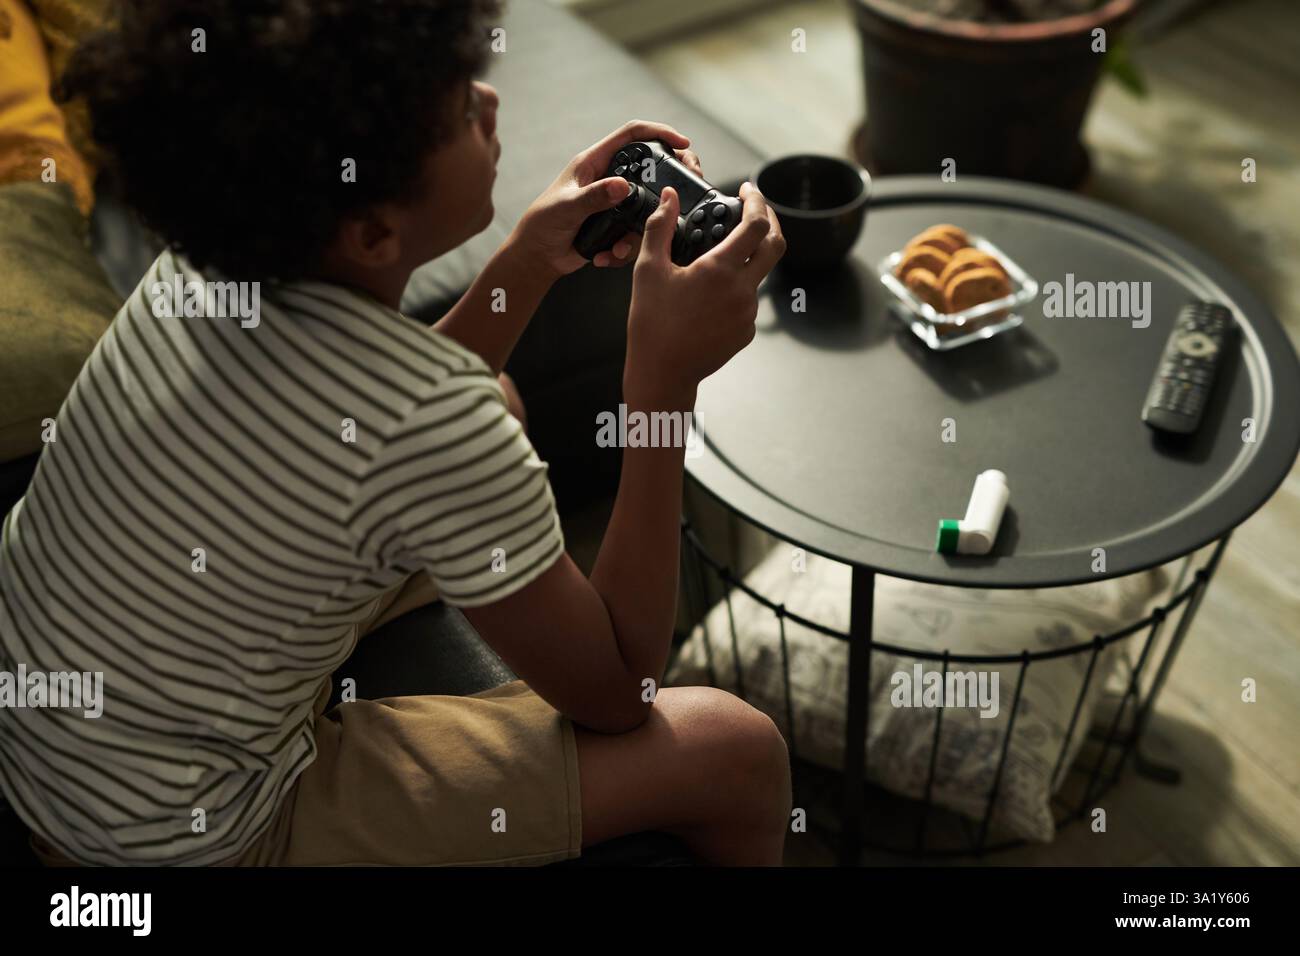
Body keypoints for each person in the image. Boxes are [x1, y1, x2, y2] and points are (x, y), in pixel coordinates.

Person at [0, 0, 791, 866]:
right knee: (734, 747)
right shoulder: (431, 423)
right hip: (184, 839)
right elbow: (620, 693)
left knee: (499, 396)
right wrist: (659, 386)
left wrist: (529, 259)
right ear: (374, 229)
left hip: (51, 748)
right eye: (458, 109)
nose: (490, 104)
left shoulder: (195, 268)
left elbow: (369, 424)